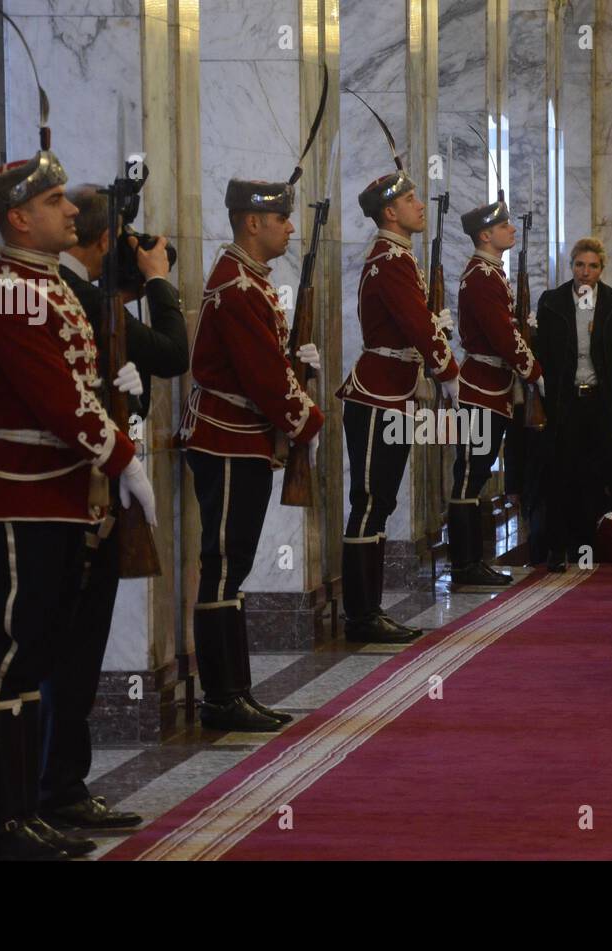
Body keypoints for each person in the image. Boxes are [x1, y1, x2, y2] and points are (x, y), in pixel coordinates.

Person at [0, 147, 157, 859]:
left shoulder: (38, 283)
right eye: (53, 204)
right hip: (21, 499)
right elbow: (57, 403)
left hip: (58, 498)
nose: (71, 210)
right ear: (19, 217)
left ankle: (33, 808)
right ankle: (2, 824)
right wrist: (124, 458)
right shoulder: (13, 291)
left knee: (36, 654)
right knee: (10, 660)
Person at [34, 184, 188, 829]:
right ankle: (55, 787)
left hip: (83, 495)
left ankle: (61, 784)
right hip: (68, 497)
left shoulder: (84, 298)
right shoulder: (80, 299)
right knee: (66, 651)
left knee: (74, 649)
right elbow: (177, 352)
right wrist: (158, 281)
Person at [176, 178, 324, 731]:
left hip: (241, 437)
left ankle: (235, 689)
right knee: (221, 568)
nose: (289, 227)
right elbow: (261, 378)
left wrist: (295, 364)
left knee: (230, 567)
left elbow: (266, 364)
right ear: (251, 222)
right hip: (226, 438)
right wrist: (308, 419)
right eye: (281, 218)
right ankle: (221, 697)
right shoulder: (237, 286)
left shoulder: (250, 282)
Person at [337, 168, 459, 640]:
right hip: (376, 396)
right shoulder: (391, 258)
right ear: (390, 212)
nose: (419, 205)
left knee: (380, 503)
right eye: (411, 199)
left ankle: (370, 611)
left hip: (395, 394)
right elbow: (413, 323)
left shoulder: (401, 257)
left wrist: (436, 331)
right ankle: (361, 616)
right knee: (369, 503)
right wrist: (449, 372)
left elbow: (416, 322)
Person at [534, 237, 612, 580]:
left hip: (603, 401)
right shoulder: (552, 302)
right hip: (566, 400)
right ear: (571, 267)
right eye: (580, 265)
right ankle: (558, 549)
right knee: (561, 474)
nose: (586, 272)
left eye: (593, 266)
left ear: (602, 268)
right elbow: (545, 355)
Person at [446, 196, 541, 590]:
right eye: (504, 226)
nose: (512, 229)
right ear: (485, 235)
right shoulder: (483, 276)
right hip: (480, 390)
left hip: (493, 390)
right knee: (470, 475)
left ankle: (471, 562)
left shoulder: (491, 272)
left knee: (476, 475)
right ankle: (465, 565)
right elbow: (501, 336)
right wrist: (534, 370)